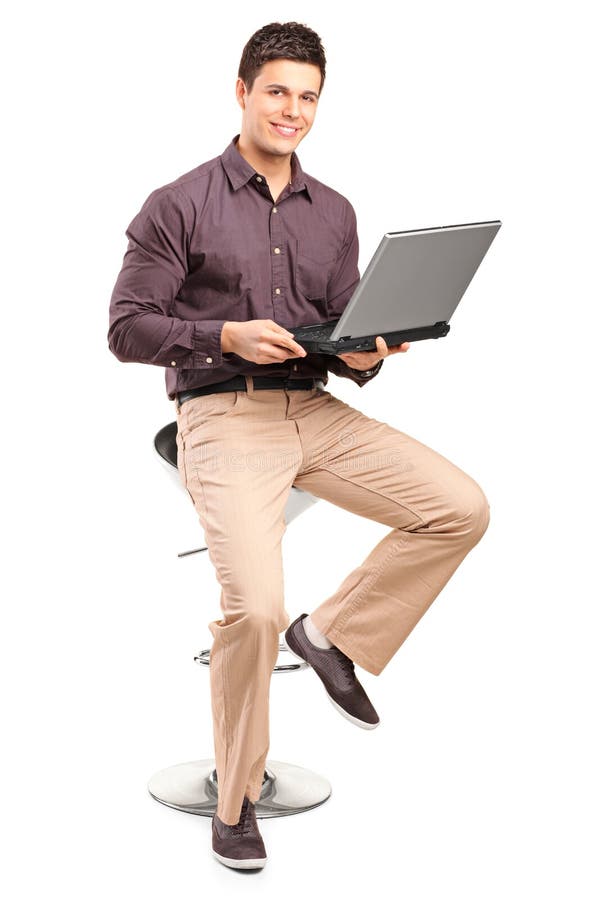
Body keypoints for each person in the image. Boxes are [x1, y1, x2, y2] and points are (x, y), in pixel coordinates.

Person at [108, 21, 490, 871]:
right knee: (253, 610)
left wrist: (366, 352)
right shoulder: (180, 202)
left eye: (308, 96)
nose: (293, 110)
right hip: (222, 414)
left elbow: (345, 329)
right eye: (277, 91)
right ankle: (236, 802)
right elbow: (126, 329)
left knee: (460, 508)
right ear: (241, 92)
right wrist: (225, 338)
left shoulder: (337, 213)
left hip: (313, 411)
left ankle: (334, 635)